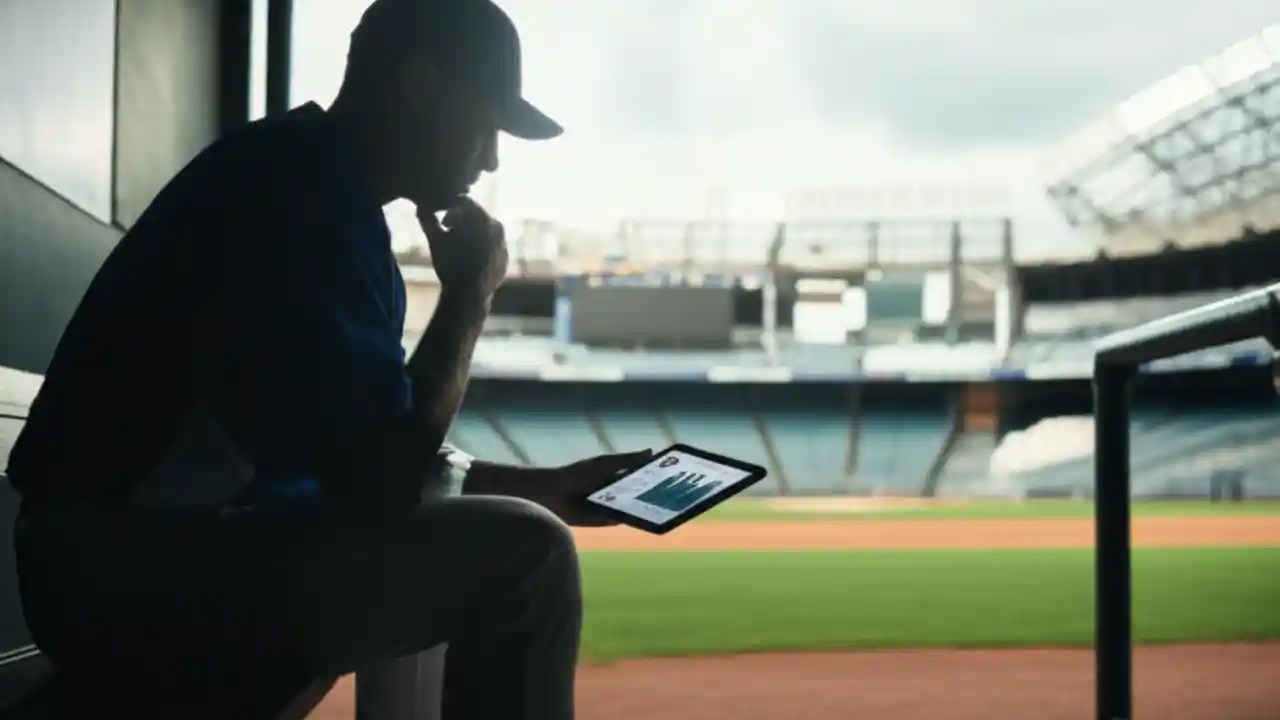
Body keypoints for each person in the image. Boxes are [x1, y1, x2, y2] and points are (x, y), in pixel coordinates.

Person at [6, 0, 644, 717]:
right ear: (424, 85)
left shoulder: (310, 181)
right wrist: (470, 296)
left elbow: (367, 452)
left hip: (127, 555)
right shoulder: (297, 200)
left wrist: (546, 485)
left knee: (489, 534)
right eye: (487, 120)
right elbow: (381, 484)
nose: (492, 156)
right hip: (115, 578)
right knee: (529, 556)